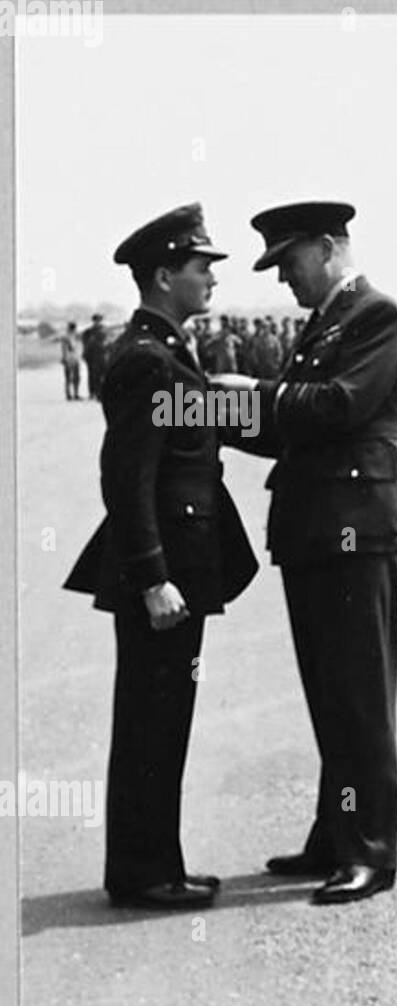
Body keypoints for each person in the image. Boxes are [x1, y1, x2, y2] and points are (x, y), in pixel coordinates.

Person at [211, 201, 397, 905]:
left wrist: (256, 394)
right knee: (328, 690)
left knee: (360, 695)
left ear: (331, 246)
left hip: (364, 526)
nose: (285, 279)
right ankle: (333, 834)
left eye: (290, 262)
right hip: (316, 527)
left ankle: (370, 849)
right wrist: (211, 412)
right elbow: (290, 428)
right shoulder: (323, 325)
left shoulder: (376, 316)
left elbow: (339, 405)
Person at [63, 203, 257, 910]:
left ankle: (156, 864)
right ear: (165, 273)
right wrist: (151, 577)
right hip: (164, 579)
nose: (212, 279)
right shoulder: (148, 361)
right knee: (151, 720)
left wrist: (269, 407)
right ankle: (144, 873)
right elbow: (127, 477)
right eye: (203, 267)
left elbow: (206, 427)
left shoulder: (171, 354)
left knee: (165, 717)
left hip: (183, 571)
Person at [81, 313, 109, 400]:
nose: (98, 322)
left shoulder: (104, 331)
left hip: (102, 355)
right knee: (93, 375)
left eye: (99, 320)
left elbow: (108, 343)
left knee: (103, 374)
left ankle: (101, 392)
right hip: (92, 356)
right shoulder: (89, 332)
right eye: (97, 320)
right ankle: (93, 392)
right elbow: (85, 344)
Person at [60, 322, 82, 400]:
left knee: (76, 377)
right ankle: (69, 394)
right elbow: (64, 349)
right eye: (72, 328)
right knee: (69, 378)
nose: (73, 330)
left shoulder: (77, 337)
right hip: (69, 359)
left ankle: (75, 394)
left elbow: (79, 348)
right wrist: (64, 358)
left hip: (75, 358)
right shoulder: (65, 338)